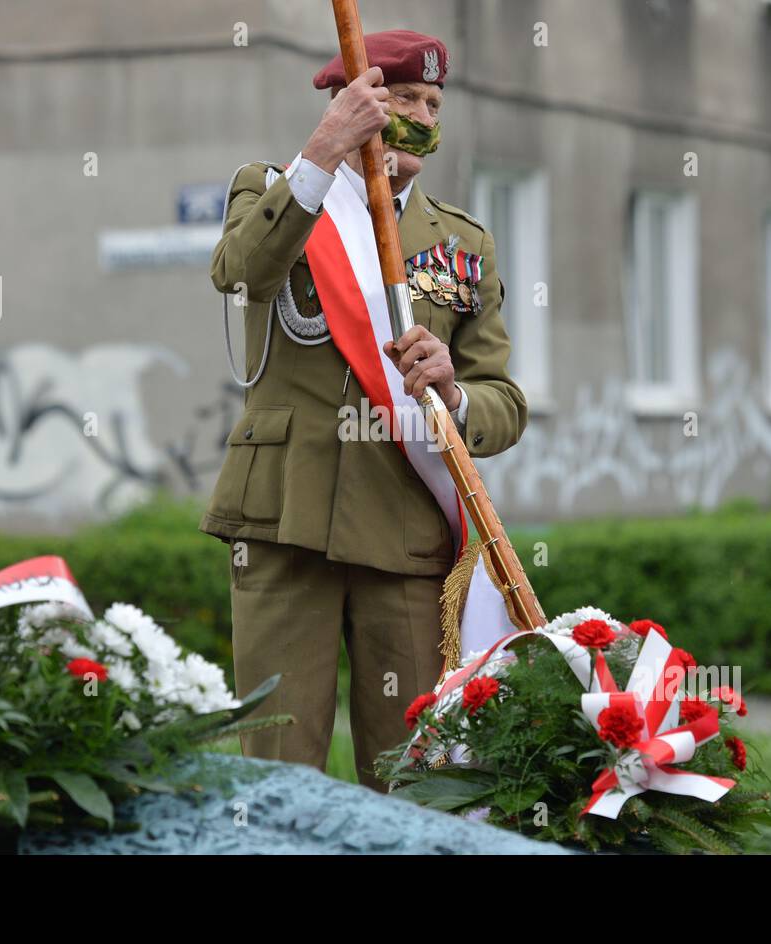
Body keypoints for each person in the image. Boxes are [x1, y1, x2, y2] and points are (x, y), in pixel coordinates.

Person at [203, 29, 527, 789]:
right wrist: (321, 154)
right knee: (280, 777)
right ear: (354, 104)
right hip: (287, 521)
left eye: (432, 102)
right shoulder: (276, 187)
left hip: (405, 531)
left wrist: (453, 391)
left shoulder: (463, 243)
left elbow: (505, 403)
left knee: (410, 777)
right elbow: (241, 271)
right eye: (401, 97)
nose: (419, 114)